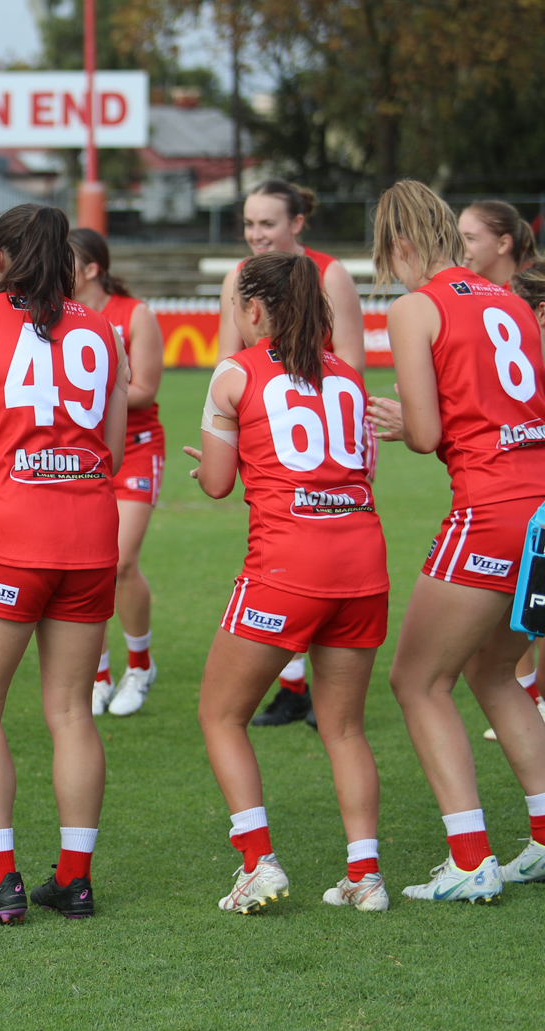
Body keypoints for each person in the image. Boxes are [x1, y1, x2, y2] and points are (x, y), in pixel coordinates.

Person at [0, 203, 128, 922]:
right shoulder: (103, 328)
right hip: (91, 534)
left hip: (11, 535)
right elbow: (111, 449)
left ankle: (0, 880)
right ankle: (74, 879)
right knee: (73, 710)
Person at [187, 251, 389, 914]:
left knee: (221, 714)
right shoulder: (349, 376)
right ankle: (366, 874)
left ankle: (258, 862)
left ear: (253, 309)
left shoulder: (234, 372)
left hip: (287, 568)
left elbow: (218, 483)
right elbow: (362, 470)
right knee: (345, 728)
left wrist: (209, 466)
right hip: (363, 564)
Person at [366, 179, 545, 899]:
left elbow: (428, 431)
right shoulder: (511, 299)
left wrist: (400, 424)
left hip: (491, 507)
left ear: (402, 243)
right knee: (494, 672)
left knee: (416, 680)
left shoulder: (416, 307)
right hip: (540, 502)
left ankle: (470, 860)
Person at [218, 179, 368, 728]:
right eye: (249, 223)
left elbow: (349, 362)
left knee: (319, 551)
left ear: (297, 223)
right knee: (285, 552)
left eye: (268, 223)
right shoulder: (239, 277)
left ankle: (318, 690)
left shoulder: (330, 273)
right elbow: (227, 358)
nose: (257, 234)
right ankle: (293, 686)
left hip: (326, 436)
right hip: (270, 433)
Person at [71, 228, 165, 718]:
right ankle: (99, 673)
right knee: (85, 566)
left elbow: (144, 390)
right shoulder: (57, 314)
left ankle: (140, 666)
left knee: (120, 563)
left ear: (91, 269)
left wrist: (81, 390)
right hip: (76, 453)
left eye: (65, 260)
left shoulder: (134, 314)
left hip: (136, 449)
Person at [458, 202, 542, 713]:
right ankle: (530, 700)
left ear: (504, 243)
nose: (461, 248)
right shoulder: (494, 301)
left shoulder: (524, 297)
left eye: (470, 237)